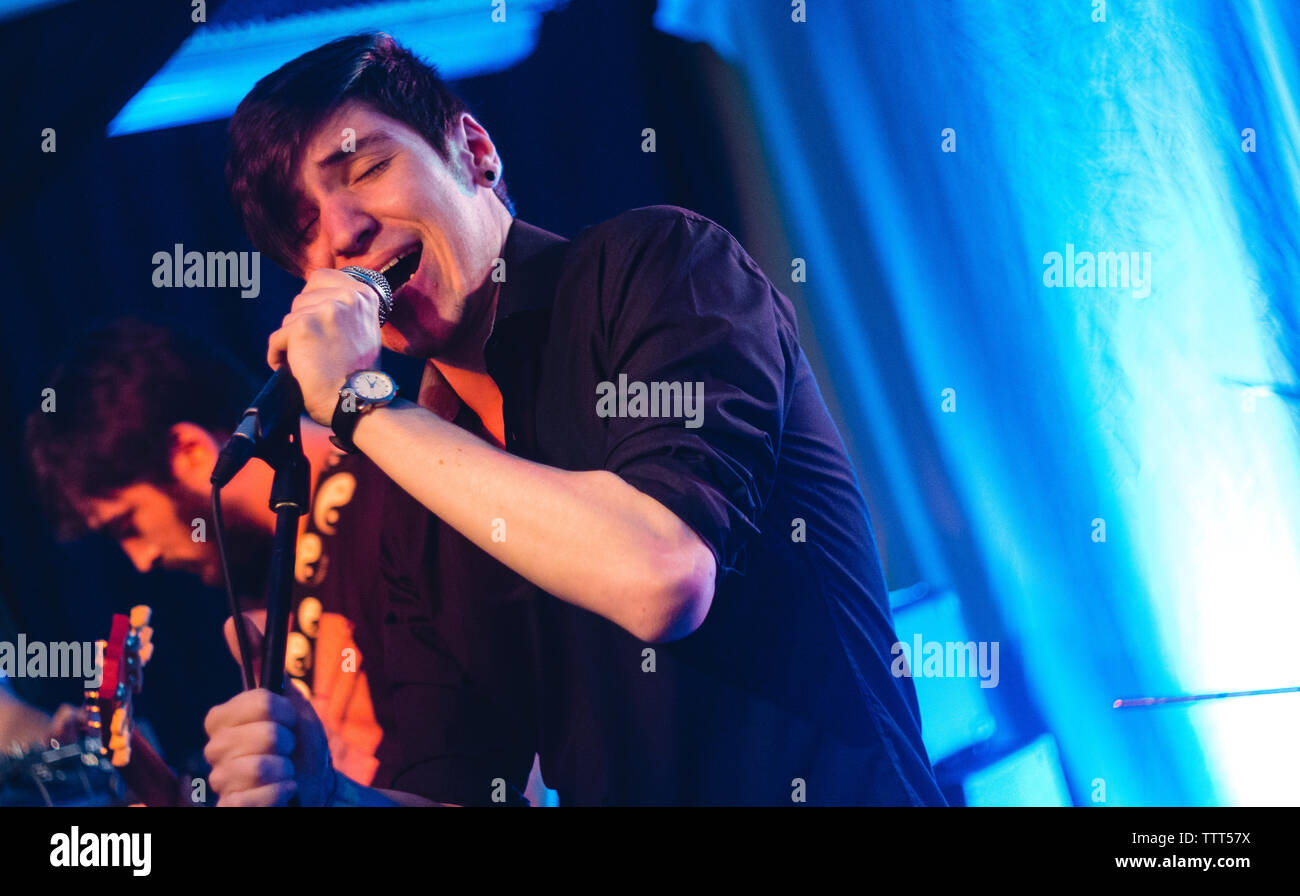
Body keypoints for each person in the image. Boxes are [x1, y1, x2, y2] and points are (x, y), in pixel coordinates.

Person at [204, 32, 945, 806]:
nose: (342, 231)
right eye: (303, 232)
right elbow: (460, 790)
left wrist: (357, 403)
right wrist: (331, 796)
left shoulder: (661, 264)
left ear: (474, 151)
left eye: (367, 169)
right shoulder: (405, 495)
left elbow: (663, 576)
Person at [22, 321, 390, 786]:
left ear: (192, 452)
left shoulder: (387, 502)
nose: (141, 559)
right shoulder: (262, 575)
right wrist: (149, 779)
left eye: (127, 524)